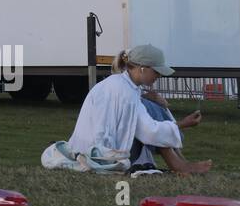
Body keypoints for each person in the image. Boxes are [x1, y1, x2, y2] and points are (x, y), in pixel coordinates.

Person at [67, 44, 210, 175]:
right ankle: (179, 165)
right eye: (156, 71)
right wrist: (183, 124)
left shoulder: (121, 85)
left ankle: (180, 163)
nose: (158, 76)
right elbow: (148, 131)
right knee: (152, 114)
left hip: (86, 148)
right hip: (98, 153)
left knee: (151, 108)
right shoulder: (125, 91)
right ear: (142, 68)